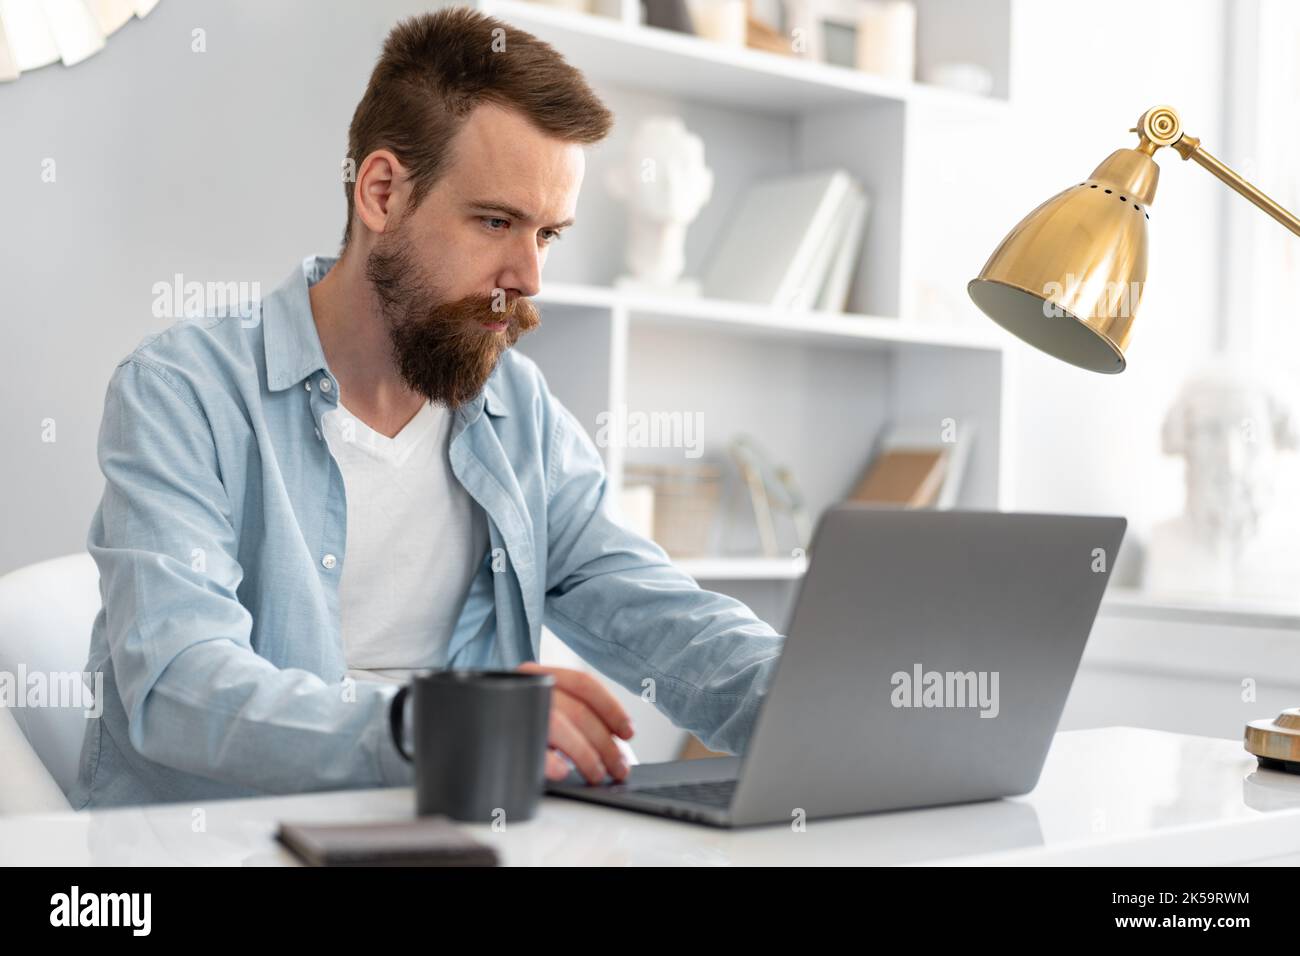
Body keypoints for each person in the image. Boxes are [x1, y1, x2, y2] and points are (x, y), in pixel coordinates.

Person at [69, 7, 784, 809]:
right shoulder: (183, 392)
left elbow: (661, 616)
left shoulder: (518, 410)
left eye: (547, 235)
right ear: (381, 193)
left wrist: (817, 702)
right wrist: (433, 727)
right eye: (495, 222)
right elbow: (178, 688)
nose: (529, 276)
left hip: (447, 835)